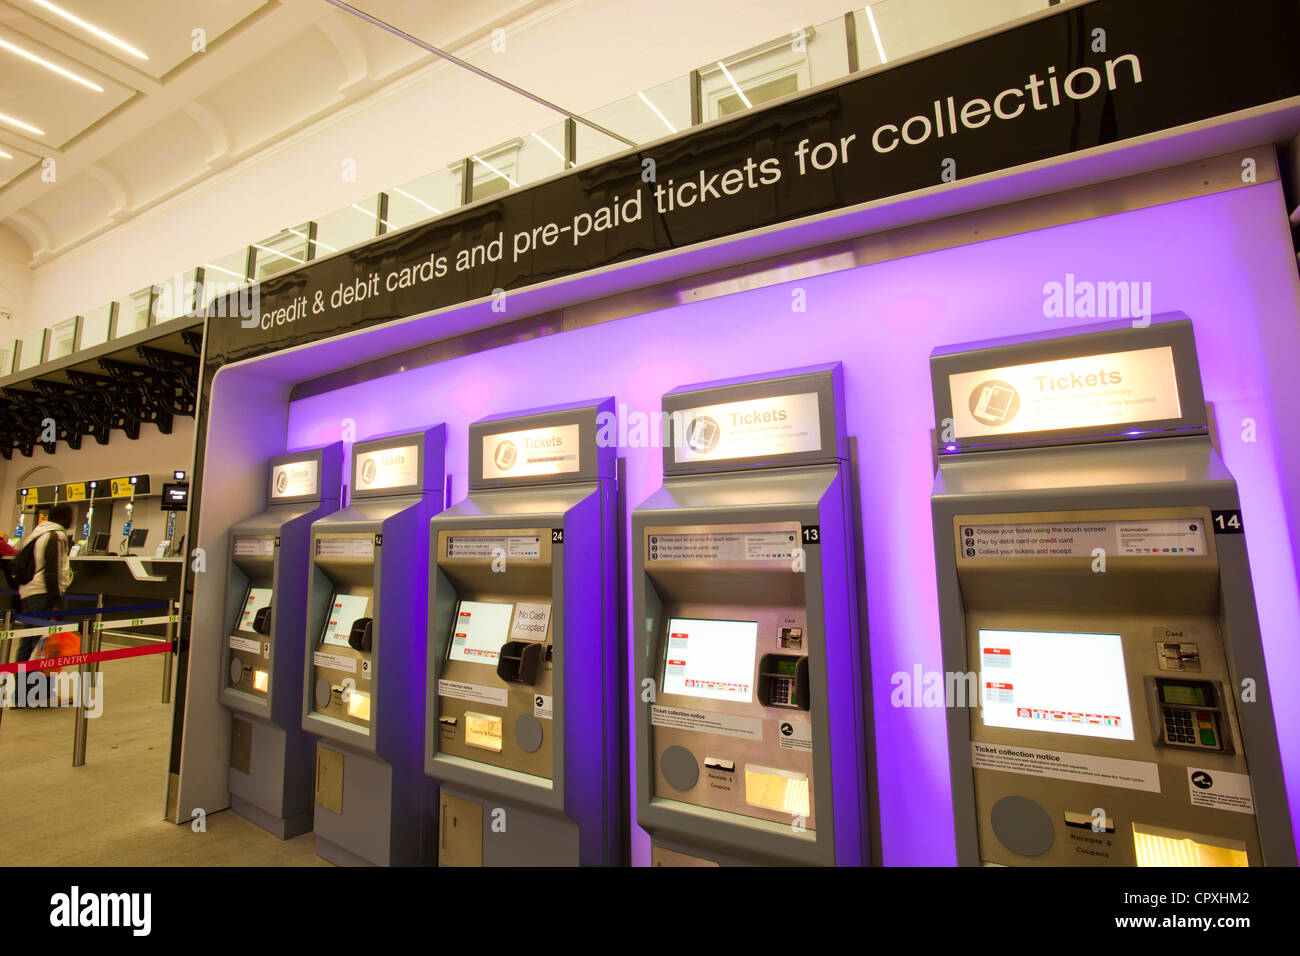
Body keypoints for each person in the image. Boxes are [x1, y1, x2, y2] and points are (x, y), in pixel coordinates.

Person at [15, 504, 74, 668]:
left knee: (28, 642)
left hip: (29, 591)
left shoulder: (37, 533)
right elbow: (53, 570)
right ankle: (36, 690)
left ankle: (22, 688)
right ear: (64, 517)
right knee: (42, 644)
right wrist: (56, 601)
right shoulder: (57, 535)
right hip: (44, 593)